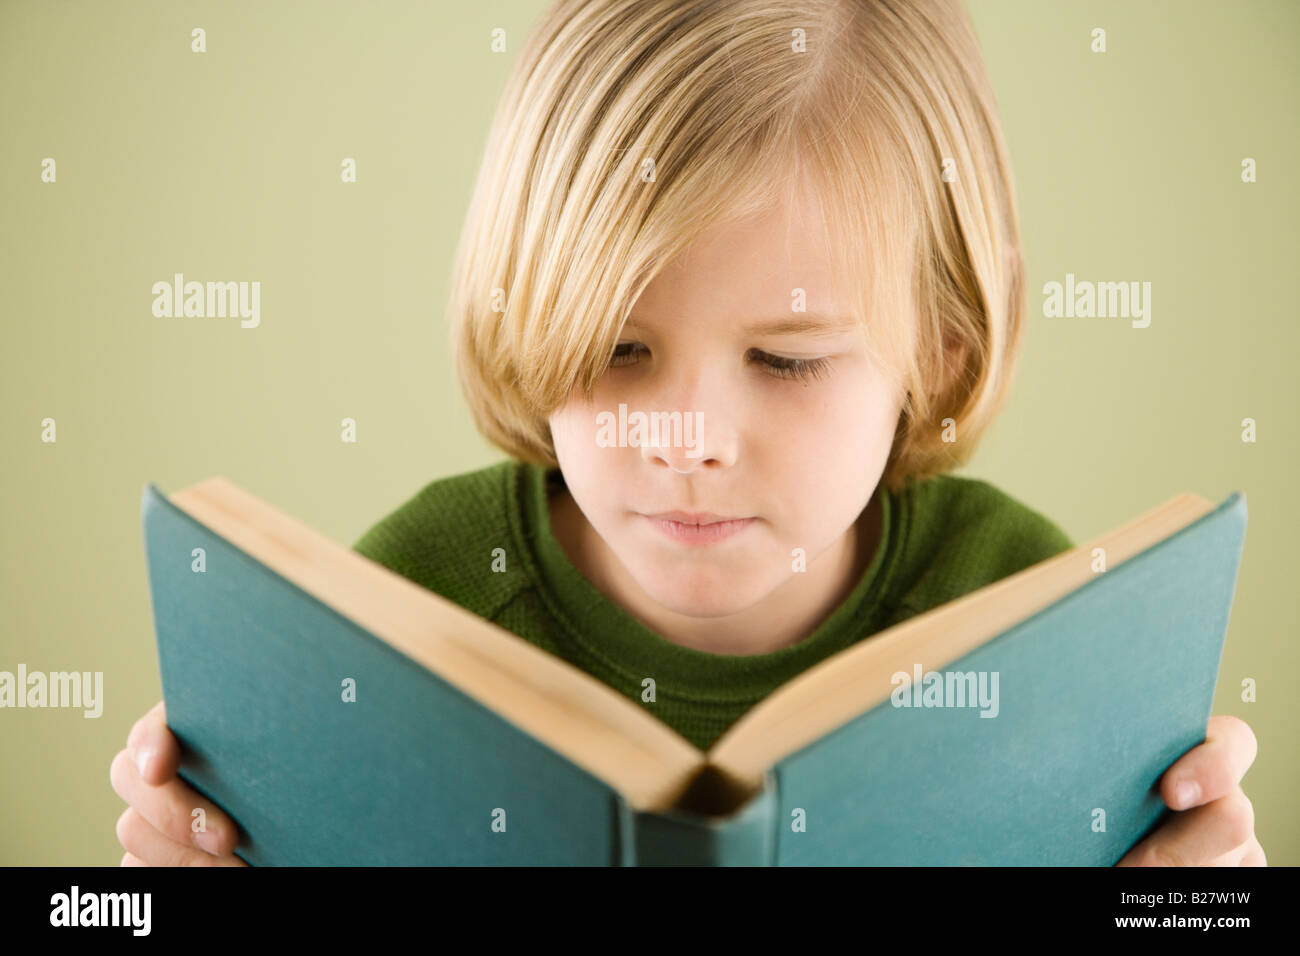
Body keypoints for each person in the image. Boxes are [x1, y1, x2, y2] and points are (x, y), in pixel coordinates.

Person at [111, 0, 1263, 865]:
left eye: (787, 359)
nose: (689, 436)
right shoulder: (421, 604)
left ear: (943, 349)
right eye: (618, 347)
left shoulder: (1022, 615)